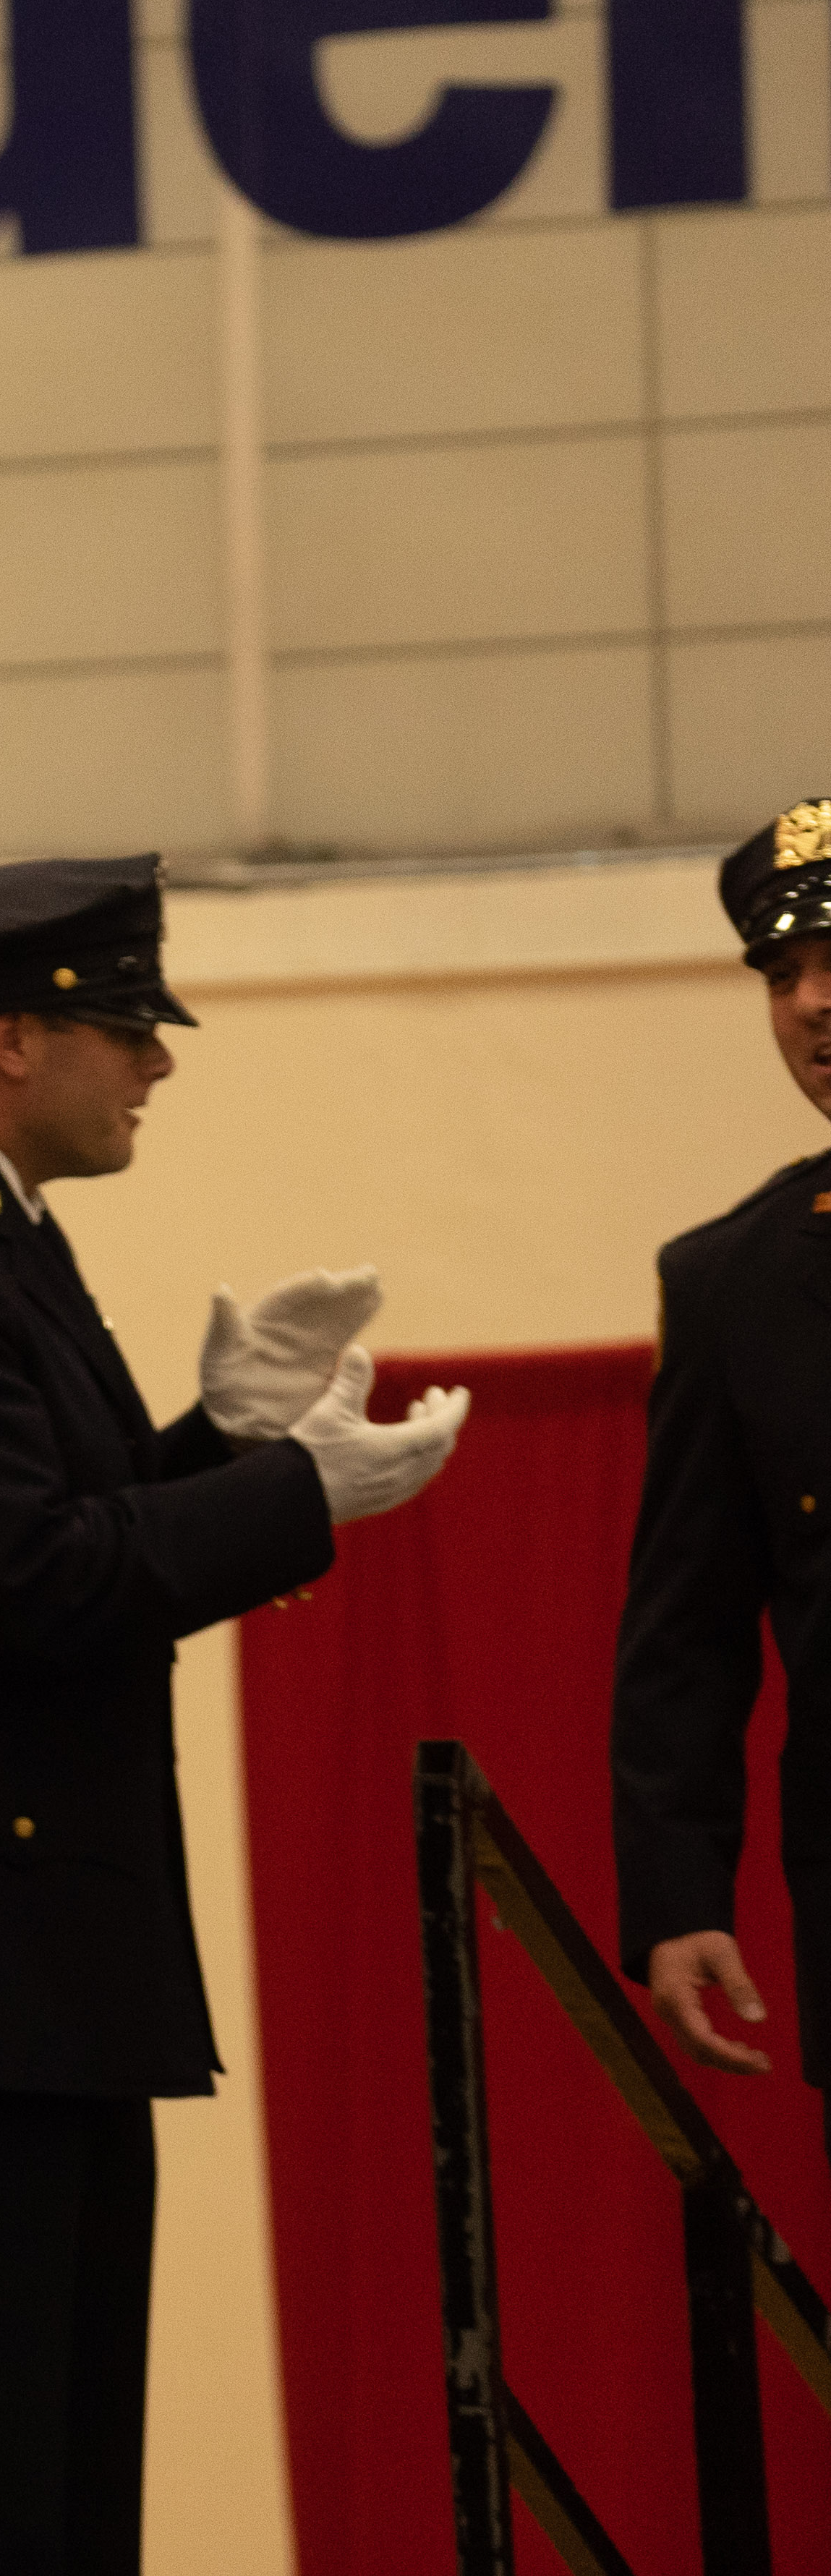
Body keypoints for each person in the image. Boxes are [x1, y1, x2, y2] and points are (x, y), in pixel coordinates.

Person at [0, 856, 471, 2573]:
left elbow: (18, 1538)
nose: (157, 1061)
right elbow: (13, 1576)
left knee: (54, 2502)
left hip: (12, 1982)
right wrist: (289, 1494)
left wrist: (216, 1446)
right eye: (127, 1024)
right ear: (9, 1032)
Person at [615, 796, 831, 2175]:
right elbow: (687, 1625)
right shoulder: (737, 1281)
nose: (811, 1004)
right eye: (780, 971)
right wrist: (681, 1890)